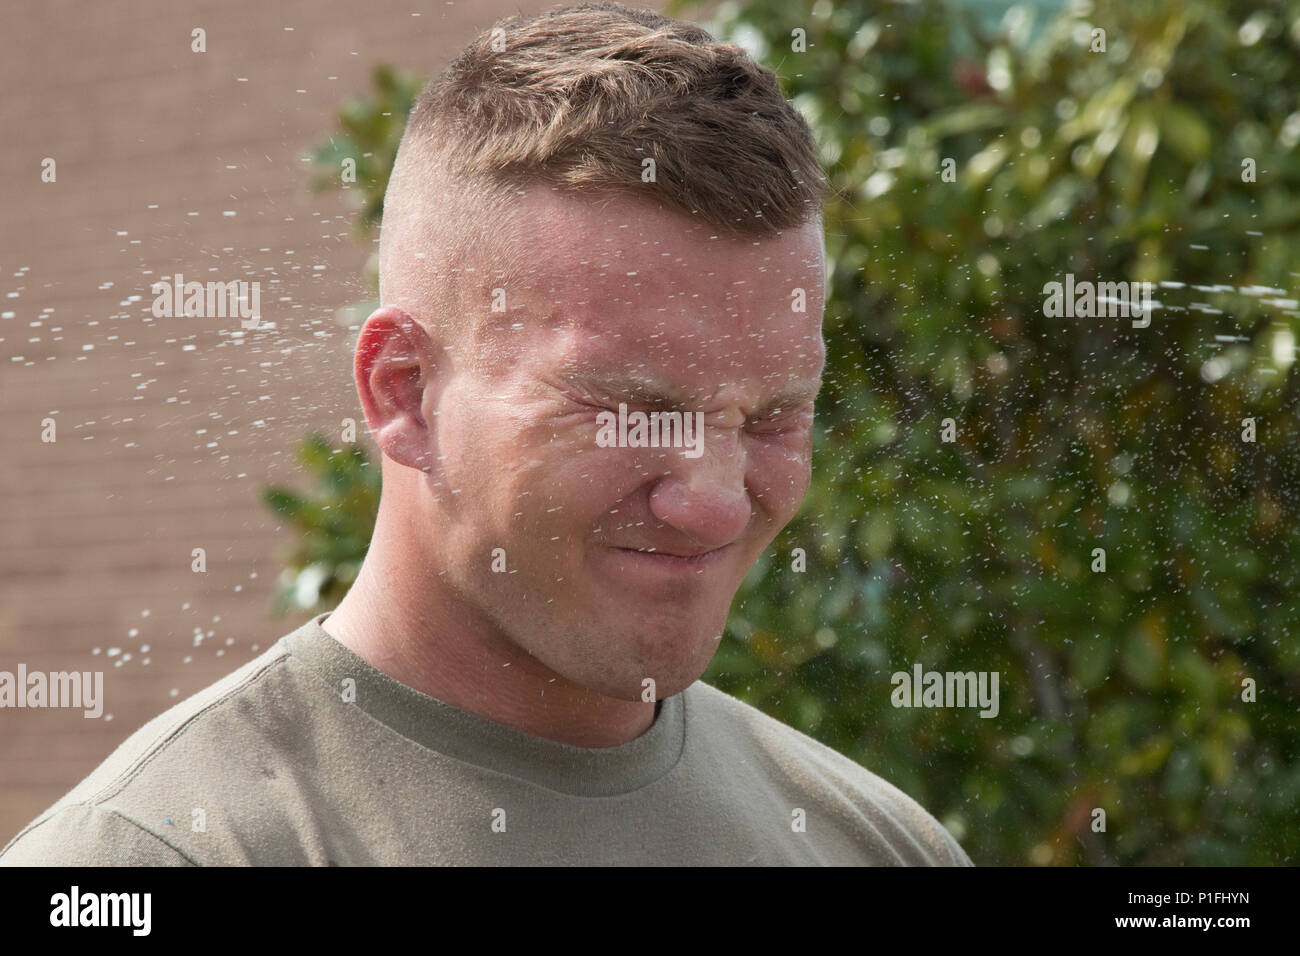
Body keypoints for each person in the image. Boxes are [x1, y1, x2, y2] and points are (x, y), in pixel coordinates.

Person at [2, 1, 972, 866]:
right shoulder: (148, 856)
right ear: (405, 392)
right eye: (628, 407)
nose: (714, 496)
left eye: (772, 414)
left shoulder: (879, 841)